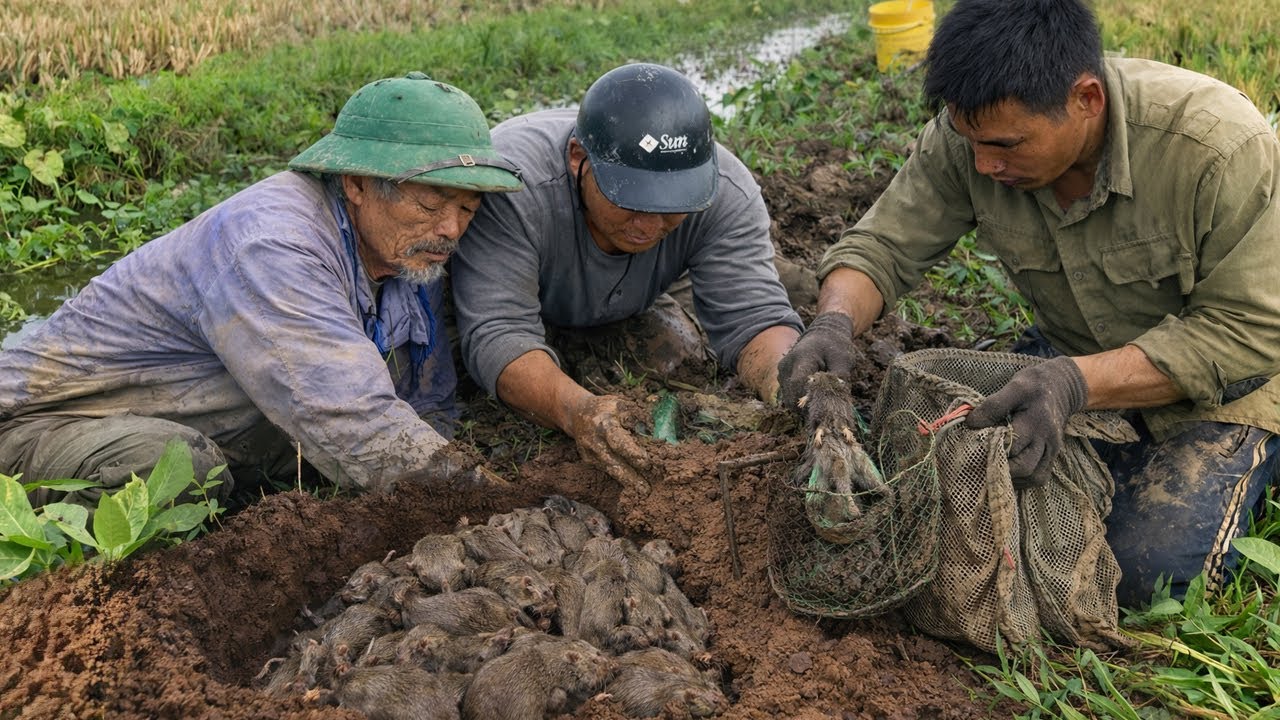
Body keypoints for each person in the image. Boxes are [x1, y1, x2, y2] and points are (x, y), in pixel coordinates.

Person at [778, 0, 1280, 606]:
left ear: (1086, 99)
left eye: (1007, 146)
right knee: (941, 498)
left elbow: (1248, 329)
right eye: (973, 143)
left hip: (1225, 391)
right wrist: (833, 321)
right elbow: (883, 245)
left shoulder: (1216, 147)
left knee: (1142, 576)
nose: (986, 165)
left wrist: (1073, 386)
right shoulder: (973, 135)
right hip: (1068, 358)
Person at [0, 72, 524, 507]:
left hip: (189, 413)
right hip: (42, 427)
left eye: (468, 209)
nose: (451, 230)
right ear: (357, 184)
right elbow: (349, 416)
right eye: (432, 206)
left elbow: (422, 398)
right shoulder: (273, 243)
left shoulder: (404, 255)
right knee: (175, 471)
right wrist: (488, 502)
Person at [451, 63, 803, 494]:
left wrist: (793, 388)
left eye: (671, 204)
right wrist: (575, 411)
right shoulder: (514, 187)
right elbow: (497, 332)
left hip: (631, 298)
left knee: (679, 357)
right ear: (578, 159)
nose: (649, 223)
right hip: (518, 285)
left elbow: (754, 318)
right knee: (460, 377)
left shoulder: (724, 190)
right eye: (631, 200)